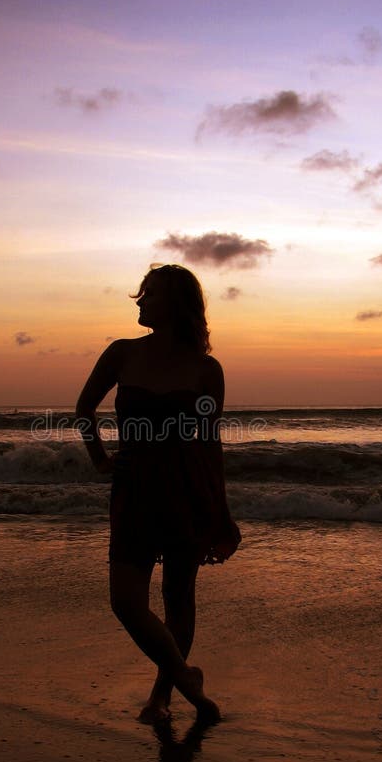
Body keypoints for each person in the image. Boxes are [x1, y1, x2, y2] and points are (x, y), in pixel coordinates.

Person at [76, 264, 241, 723]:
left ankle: (163, 695)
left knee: (177, 597)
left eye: (148, 295)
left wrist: (221, 509)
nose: (140, 302)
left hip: (188, 490)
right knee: (126, 602)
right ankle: (189, 678)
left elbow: (210, 442)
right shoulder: (122, 353)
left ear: (174, 304)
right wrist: (101, 461)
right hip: (135, 489)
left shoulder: (206, 369)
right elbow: (84, 407)